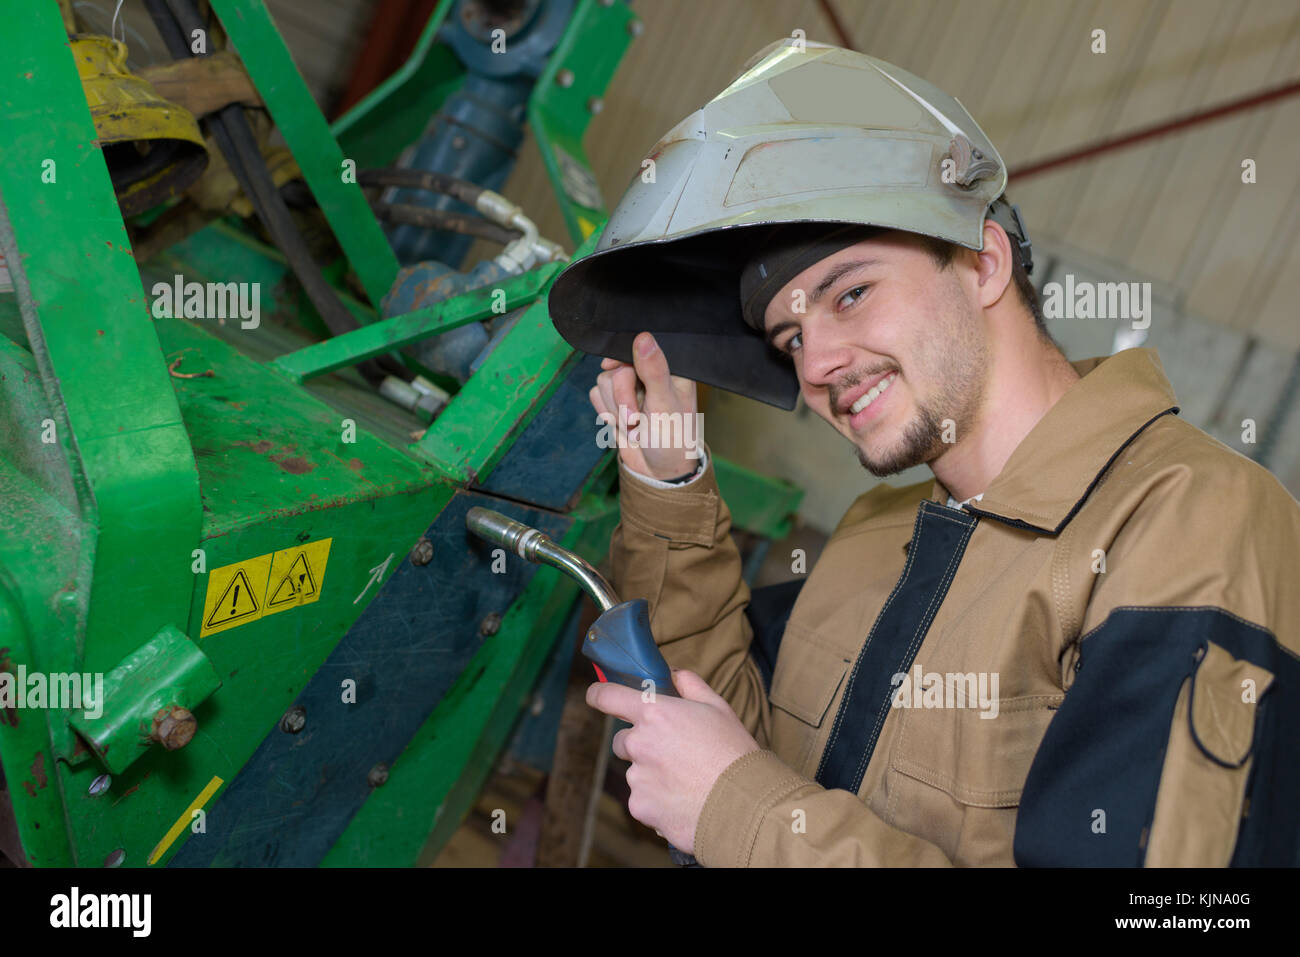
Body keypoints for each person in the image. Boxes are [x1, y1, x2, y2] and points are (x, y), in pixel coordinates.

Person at [547, 40, 1300, 866]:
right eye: (791, 335)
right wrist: (671, 484)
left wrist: (744, 813)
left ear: (983, 263)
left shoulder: (1191, 519)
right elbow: (733, 741)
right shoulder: (879, 531)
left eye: (852, 293)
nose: (818, 364)